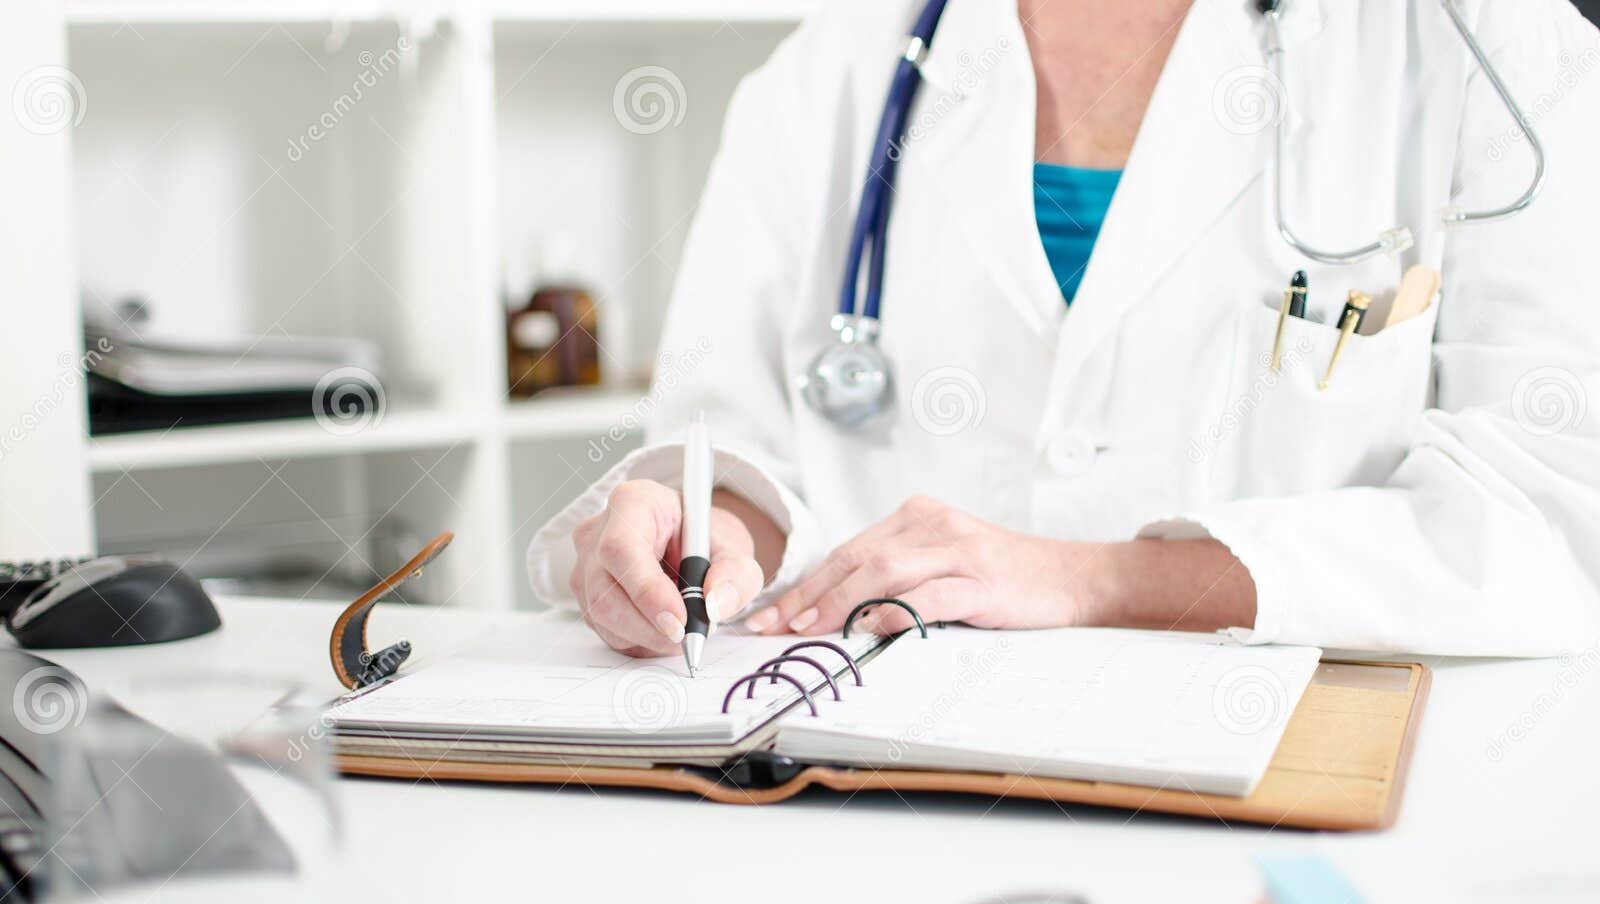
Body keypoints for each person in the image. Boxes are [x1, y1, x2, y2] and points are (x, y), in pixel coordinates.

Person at [527, 0, 1600, 658]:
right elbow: (736, 444)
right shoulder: (841, 59)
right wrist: (697, 534)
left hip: (1312, 821)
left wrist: (1087, 577)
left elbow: (1548, 522)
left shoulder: (1486, 46)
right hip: (880, 793)